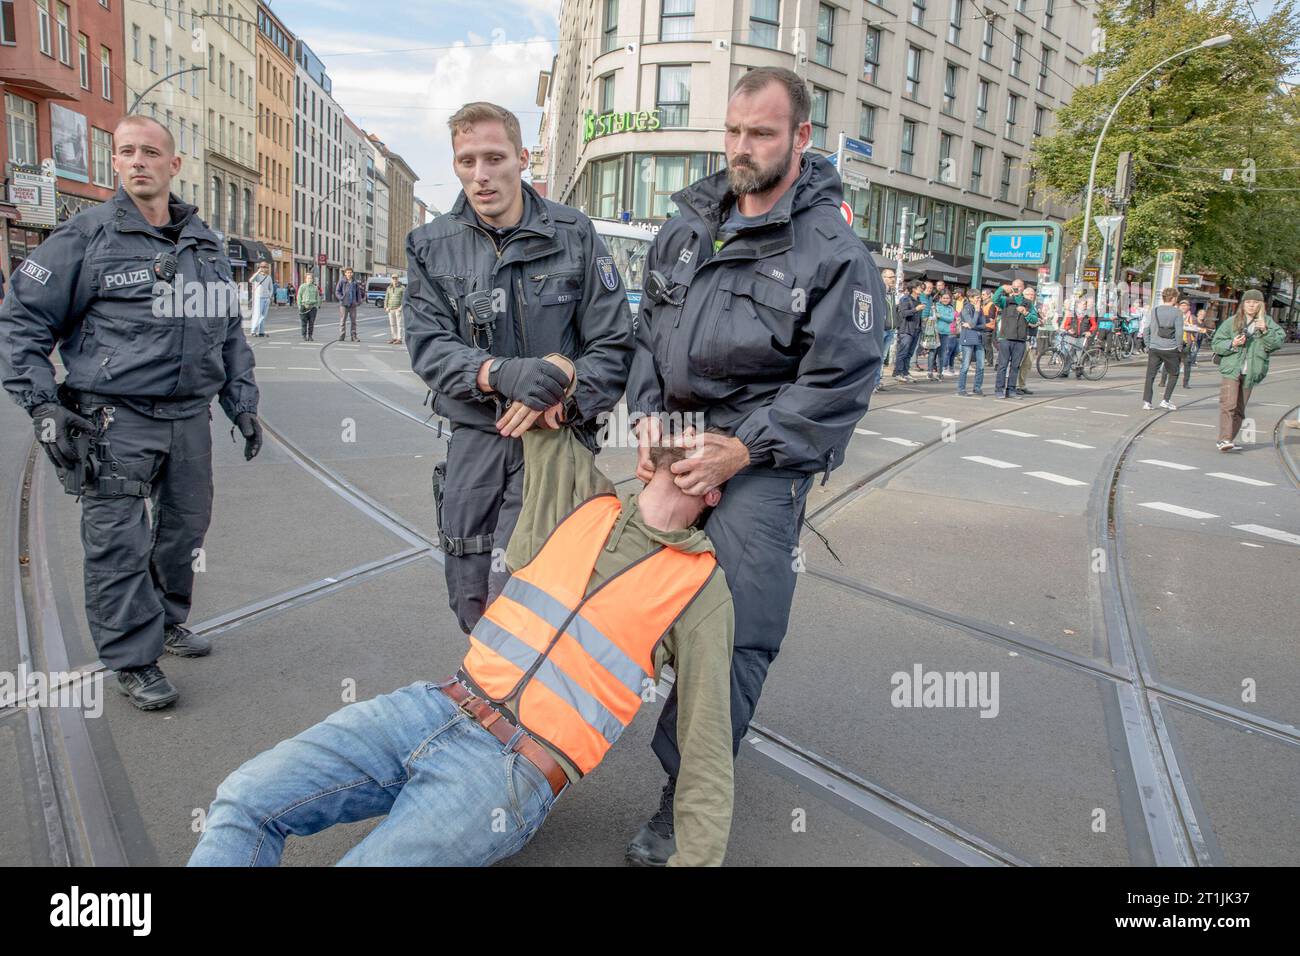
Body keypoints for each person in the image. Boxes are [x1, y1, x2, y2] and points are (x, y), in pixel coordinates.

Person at [189, 421, 737, 867]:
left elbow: (706, 741)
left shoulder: (702, 588)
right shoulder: (584, 499)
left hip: (509, 771)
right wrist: (554, 374)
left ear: (713, 488)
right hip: (431, 706)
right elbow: (545, 394)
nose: (692, 431)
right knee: (245, 798)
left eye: (709, 438)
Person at [624, 66, 882, 866]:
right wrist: (644, 418)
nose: (742, 148)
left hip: (763, 456)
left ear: (802, 138)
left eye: (761, 134)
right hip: (678, 437)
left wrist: (747, 448)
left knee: (733, 626)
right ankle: (547, 745)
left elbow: (842, 377)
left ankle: (686, 793)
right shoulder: (686, 225)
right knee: (617, 592)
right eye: (734, 131)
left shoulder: (833, 251)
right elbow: (646, 332)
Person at [0, 115, 261, 710]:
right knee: (118, 540)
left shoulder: (205, 245)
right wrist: (43, 403)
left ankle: (166, 620)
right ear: (114, 163)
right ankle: (133, 658)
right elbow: (22, 323)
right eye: (126, 152)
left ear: (174, 166)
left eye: (151, 152)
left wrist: (242, 404)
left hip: (189, 418)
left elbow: (227, 335)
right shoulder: (83, 237)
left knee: (183, 532)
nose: (138, 160)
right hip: (115, 419)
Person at [405, 101, 634, 638]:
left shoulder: (574, 234)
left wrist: (566, 391)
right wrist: (495, 372)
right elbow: (428, 342)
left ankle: (525, 712)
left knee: (537, 593)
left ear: (522, 157)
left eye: (494, 158)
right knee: (470, 592)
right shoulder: (430, 245)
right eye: (466, 161)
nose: (480, 176)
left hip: (554, 445)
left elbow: (615, 343)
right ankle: (492, 703)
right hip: (476, 442)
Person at [1212, 289, 1285, 451]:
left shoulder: (1268, 322)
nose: (1252, 306)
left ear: (1261, 305)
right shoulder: (1232, 321)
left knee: (1239, 409)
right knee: (1228, 405)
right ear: (1243, 304)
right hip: (1232, 369)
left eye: (1255, 302)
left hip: (1252, 371)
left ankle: (1228, 440)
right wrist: (1232, 343)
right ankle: (1223, 440)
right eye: (1248, 302)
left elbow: (1277, 344)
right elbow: (1216, 343)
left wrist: (1266, 331)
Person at [1140, 288, 1184, 411]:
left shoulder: (1153, 311)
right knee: (1174, 374)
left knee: (1150, 375)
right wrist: (1179, 347)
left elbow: (1146, 329)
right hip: (1171, 348)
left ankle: (1147, 402)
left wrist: (1148, 344)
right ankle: (1166, 400)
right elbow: (1179, 332)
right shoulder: (1177, 313)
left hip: (1154, 348)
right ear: (1174, 298)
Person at [993, 281, 1036, 399]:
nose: (1016, 288)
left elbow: (1034, 319)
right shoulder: (1006, 300)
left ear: (1023, 288)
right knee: (1002, 365)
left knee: (1015, 366)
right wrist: (1001, 288)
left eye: (1019, 286)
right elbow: (995, 299)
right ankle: (999, 389)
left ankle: (1011, 390)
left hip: (1020, 340)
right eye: (1014, 286)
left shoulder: (1028, 303)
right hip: (1006, 338)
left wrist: (1026, 312)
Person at [956, 286, 991, 396]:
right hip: (968, 339)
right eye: (977, 298)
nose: (979, 300)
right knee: (965, 366)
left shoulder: (979, 309)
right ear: (970, 298)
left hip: (979, 339)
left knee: (981, 366)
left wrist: (972, 325)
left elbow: (983, 325)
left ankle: (977, 387)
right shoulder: (966, 308)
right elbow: (972, 322)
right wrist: (975, 314)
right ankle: (961, 389)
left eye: (979, 298)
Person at [1159, 299, 1201, 391]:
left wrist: (1188, 326)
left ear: (1189, 307)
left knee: (1187, 363)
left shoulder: (1192, 318)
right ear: (1179, 306)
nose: (1183, 307)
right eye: (1182, 305)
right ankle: (1162, 381)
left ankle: (1186, 383)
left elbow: (1197, 329)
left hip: (1187, 343)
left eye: (1185, 305)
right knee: (1168, 362)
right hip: (1174, 342)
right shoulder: (1174, 315)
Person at [1060, 286, 1097, 377]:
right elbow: (1066, 325)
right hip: (1073, 337)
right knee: (1069, 354)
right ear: (1078, 304)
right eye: (1083, 303)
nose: (1085, 305)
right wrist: (1069, 329)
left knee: (1080, 355)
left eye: (1085, 304)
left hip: (1082, 337)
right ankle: (1065, 372)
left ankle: (1079, 372)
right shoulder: (1072, 314)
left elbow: (1094, 325)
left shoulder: (1089, 314)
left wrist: (1090, 331)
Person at [892, 282, 922, 383]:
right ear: (913, 288)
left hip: (916, 329)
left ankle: (905, 372)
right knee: (903, 352)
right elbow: (904, 313)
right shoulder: (905, 299)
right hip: (906, 330)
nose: (921, 289)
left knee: (910, 353)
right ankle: (898, 372)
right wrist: (915, 309)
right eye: (919, 287)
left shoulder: (918, 299)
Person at [876, 267, 898, 391]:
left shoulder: (892, 293)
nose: (893, 279)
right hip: (881, 329)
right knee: (878, 357)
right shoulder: (879, 292)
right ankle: (874, 382)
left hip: (890, 329)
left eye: (894, 277)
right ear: (883, 278)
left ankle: (877, 381)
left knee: (883, 357)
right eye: (890, 277)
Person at [928, 290, 956, 381]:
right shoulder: (935, 306)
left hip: (945, 333)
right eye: (944, 298)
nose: (945, 299)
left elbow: (951, 319)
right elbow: (933, 316)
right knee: (932, 352)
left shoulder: (951, 308)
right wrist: (939, 315)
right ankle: (930, 372)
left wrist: (940, 316)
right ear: (940, 298)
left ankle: (939, 373)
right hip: (935, 332)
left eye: (947, 298)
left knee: (942, 354)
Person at [335, 267, 363, 342]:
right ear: (345, 273)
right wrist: (341, 298)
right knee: (342, 320)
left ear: (352, 273)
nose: (349, 274)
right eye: (348, 272)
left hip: (353, 304)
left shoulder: (355, 282)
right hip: (344, 304)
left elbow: (358, 293)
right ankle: (342, 335)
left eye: (350, 272)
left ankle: (353, 336)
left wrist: (358, 301)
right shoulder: (342, 281)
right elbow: (337, 291)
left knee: (353, 321)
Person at [249, 260, 273, 338]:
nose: (264, 268)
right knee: (258, 315)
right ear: (259, 267)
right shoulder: (257, 276)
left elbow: (271, 288)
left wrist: (269, 296)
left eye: (265, 267)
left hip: (266, 298)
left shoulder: (268, 277)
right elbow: (251, 280)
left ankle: (261, 331)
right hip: (259, 297)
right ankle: (253, 330)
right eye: (262, 267)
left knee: (263, 316)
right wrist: (257, 272)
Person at [297, 271, 320, 341]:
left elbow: (318, 297)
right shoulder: (302, 286)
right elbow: (299, 296)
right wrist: (299, 306)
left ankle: (310, 336)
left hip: (312, 307)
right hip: (304, 306)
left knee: (311, 323)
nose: (310, 280)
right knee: (304, 323)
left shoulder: (315, 287)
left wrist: (317, 306)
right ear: (306, 279)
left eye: (311, 278)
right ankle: (304, 335)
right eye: (308, 278)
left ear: (312, 279)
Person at [384, 274, 405, 345]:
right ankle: (394, 338)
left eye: (396, 278)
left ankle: (399, 339)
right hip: (390, 309)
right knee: (392, 324)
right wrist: (386, 307)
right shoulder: (389, 288)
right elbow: (386, 297)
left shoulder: (402, 288)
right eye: (393, 278)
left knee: (399, 324)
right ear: (391, 279)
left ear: (398, 279)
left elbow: (405, 299)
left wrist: (401, 308)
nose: (394, 279)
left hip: (398, 309)